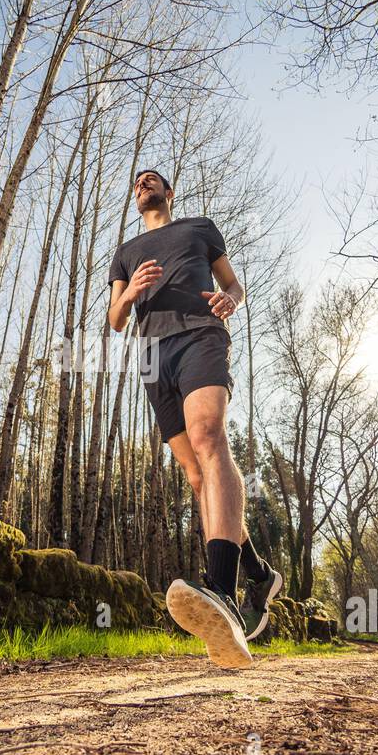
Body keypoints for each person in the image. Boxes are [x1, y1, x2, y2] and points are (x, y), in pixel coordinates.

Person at [107, 168, 282, 670]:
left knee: (209, 437)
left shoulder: (199, 228)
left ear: (168, 192)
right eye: (137, 182)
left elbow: (234, 285)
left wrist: (233, 298)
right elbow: (115, 320)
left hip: (200, 335)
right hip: (151, 356)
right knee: (195, 474)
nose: (142, 183)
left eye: (152, 180)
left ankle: (222, 591)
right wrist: (130, 291)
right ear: (134, 197)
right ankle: (258, 572)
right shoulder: (124, 252)